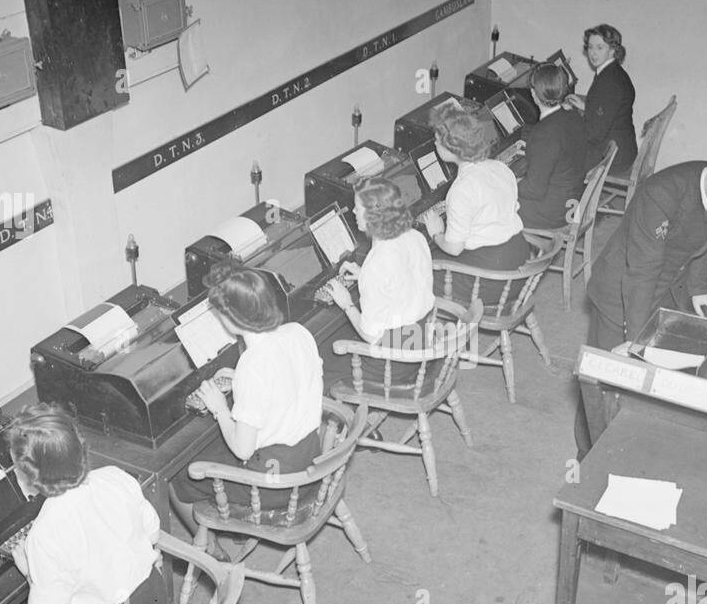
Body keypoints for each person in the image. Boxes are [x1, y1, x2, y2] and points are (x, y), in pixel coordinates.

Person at [576, 148, 707, 457]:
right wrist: (635, 340)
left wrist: (700, 289)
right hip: (621, 293)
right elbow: (640, 274)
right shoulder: (661, 195)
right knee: (604, 382)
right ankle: (590, 455)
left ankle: (628, 447)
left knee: (652, 380)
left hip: (664, 286)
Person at [0, 403, 172, 604]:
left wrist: (31, 573)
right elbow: (152, 534)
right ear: (81, 450)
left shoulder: (45, 534)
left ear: (28, 478)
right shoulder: (116, 477)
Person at [172, 264, 324, 513]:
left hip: (277, 481)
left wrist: (220, 409)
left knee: (180, 474)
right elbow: (295, 377)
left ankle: (209, 550)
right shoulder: (298, 332)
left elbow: (243, 450)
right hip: (310, 459)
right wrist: (241, 381)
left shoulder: (252, 365)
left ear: (232, 320)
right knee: (212, 449)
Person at [321, 177, 438, 387]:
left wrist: (346, 303)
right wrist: (365, 273)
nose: (353, 212)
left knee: (322, 358)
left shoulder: (377, 265)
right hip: (423, 340)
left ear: (373, 215)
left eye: (357, 208)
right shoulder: (414, 236)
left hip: (395, 363)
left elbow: (370, 335)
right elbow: (405, 276)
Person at [420, 99, 533, 306]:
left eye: (437, 139)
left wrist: (436, 233)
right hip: (520, 260)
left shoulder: (461, 190)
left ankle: (440, 334)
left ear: (452, 148)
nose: (435, 143)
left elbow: (454, 249)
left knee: (418, 272)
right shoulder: (499, 168)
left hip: (494, 278)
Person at [517, 62, 589, 230]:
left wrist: (511, 182)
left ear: (533, 94)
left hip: (552, 213)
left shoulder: (543, 133)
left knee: (493, 199)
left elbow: (534, 190)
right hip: (572, 203)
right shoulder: (574, 117)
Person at [564, 24, 637, 173]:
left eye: (599, 47)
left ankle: (571, 195)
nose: (593, 53)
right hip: (621, 148)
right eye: (590, 47)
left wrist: (567, 123)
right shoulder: (613, 72)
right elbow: (609, 110)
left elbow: (594, 134)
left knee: (559, 154)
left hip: (612, 157)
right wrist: (586, 107)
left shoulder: (609, 81)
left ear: (612, 50)